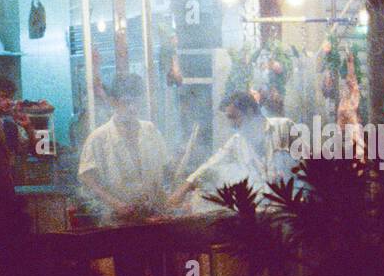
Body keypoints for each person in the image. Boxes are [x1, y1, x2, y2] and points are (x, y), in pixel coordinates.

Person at [169, 91, 294, 207]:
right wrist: (185, 187)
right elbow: (211, 164)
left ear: (250, 111)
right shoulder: (238, 140)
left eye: (233, 117)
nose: (231, 124)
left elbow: (307, 167)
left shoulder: (284, 127)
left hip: (294, 210)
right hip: (265, 212)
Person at [78, 75, 170, 223]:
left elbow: (165, 168)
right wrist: (115, 204)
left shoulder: (150, 130)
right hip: (117, 221)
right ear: (113, 102)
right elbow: (87, 178)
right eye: (126, 102)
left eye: (136, 102)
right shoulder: (98, 138)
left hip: (153, 217)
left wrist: (167, 204)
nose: (132, 108)